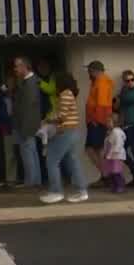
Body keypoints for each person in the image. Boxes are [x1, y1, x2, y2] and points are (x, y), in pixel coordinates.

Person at [40, 71, 89, 204]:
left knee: (52, 161)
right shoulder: (68, 94)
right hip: (71, 131)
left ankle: (56, 192)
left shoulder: (65, 94)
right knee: (73, 162)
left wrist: (47, 120)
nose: (54, 84)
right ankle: (82, 191)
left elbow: (61, 115)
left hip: (65, 132)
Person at [10, 57, 43, 188]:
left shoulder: (30, 82)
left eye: (17, 66)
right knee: (31, 151)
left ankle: (31, 182)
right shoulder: (27, 81)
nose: (15, 69)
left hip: (26, 124)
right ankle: (35, 180)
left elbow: (28, 107)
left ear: (24, 66)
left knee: (28, 152)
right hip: (26, 123)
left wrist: (24, 127)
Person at [84, 60, 114, 186]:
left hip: (96, 121)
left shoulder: (101, 82)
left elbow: (102, 104)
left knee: (92, 149)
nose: (89, 73)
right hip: (96, 120)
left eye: (90, 71)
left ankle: (106, 175)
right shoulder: (99, 82)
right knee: (98, 149)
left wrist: (97, 120)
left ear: (95, 71)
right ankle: (105, 176)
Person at [115, 69, 134, 187]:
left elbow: (131, 98)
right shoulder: (124, 91)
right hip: (125, 125)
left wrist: (120, 96)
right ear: (124, 81)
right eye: (127, 81)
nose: (130, 82)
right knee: (120, 150)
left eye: (132, 79)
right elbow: (117, 106)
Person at [103, 114, 127, 193]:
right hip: (111, 156)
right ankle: (114, 186)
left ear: (115, 122)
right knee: (111, 172)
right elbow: (108, 143)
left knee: (116, 172)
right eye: (107, 121)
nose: (107, 123)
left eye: (109, 121)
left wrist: (114, 152)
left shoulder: (116, 132)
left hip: (117, 155)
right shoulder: (111, 132)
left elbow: (118, 143)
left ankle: (120, 185)